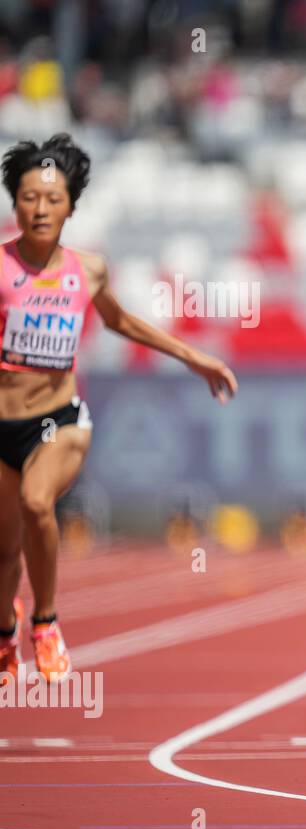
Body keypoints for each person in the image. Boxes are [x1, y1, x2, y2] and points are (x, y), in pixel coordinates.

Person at [0, 134, 237, 685]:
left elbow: (122, 322)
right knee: (5, 552)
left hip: (57, 421)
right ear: (16, 202)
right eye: (30, 197)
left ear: (70, 207)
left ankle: (47, 623)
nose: (40, 209)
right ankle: (6, 636)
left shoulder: (89, 270)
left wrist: (193, 357)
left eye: (53, 199)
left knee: (40, 503)